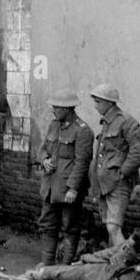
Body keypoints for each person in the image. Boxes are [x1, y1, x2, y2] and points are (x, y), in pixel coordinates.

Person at [36, 89, 94, 266]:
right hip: (50, 187)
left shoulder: (83, 131)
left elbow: (82, 162)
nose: (53, 110)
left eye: (56, 107)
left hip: (67, 189)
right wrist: (44, 160)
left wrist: (73, 188)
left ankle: (65, 267)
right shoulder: (54, 125)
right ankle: (47, 262)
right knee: (47, 224)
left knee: (69, 226)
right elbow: (43, 148)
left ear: (68, 109)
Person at [89, 83, 140, 249]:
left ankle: (124, 263)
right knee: (110, 227)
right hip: (105, 183)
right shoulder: (107, 122)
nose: (95, 105)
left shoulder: (126, 122)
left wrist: (122, 173)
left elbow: (138, 152)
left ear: (109, 102)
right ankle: (114, 264)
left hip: (118, 183)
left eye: (98, 102)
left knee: (113, 227)